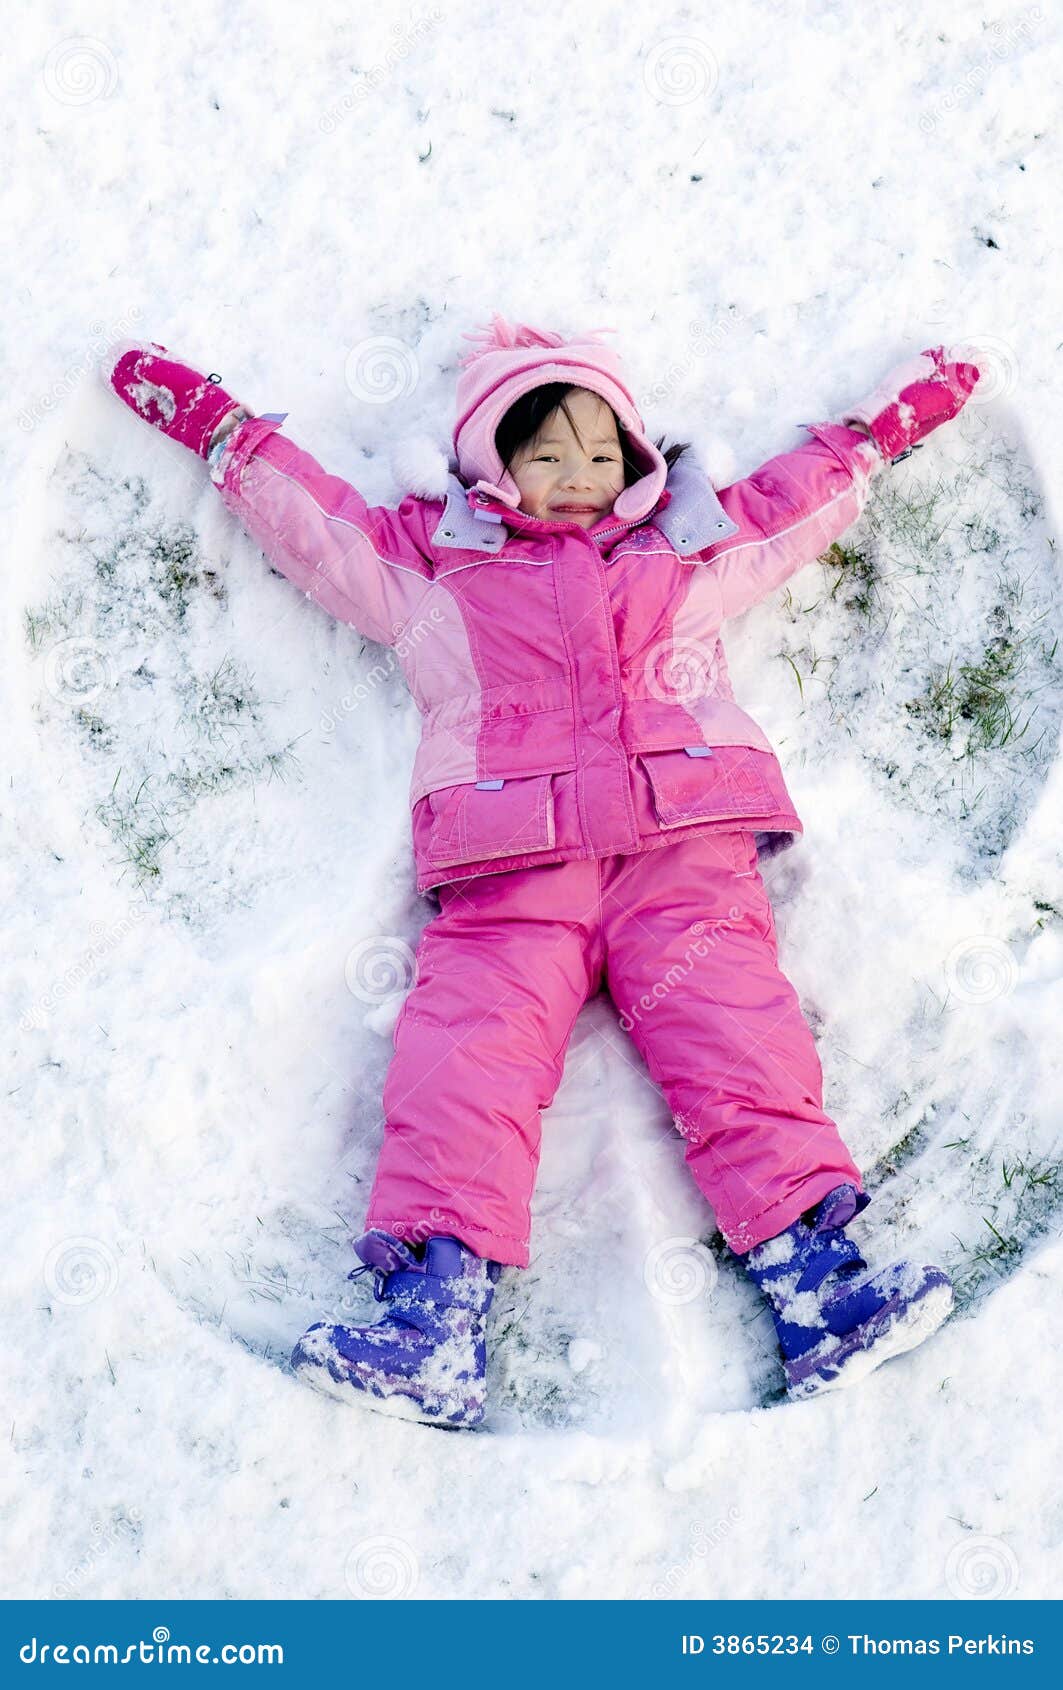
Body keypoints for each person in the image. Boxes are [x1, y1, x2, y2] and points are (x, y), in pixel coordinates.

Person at [100, 318, 980, 1428]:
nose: (577, 479)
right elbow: (317, 529)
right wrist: (224, 431)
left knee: (740, 1040)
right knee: (466, 1057)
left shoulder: (683, 545)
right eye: (547, 456)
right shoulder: (434, 567)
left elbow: (788, 513)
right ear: (490, 466)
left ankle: (820, 1280)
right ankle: (430, 1313)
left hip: (682, 850)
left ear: (638, 464)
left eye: (601, 455)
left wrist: (883, 429)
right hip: (512, 867)